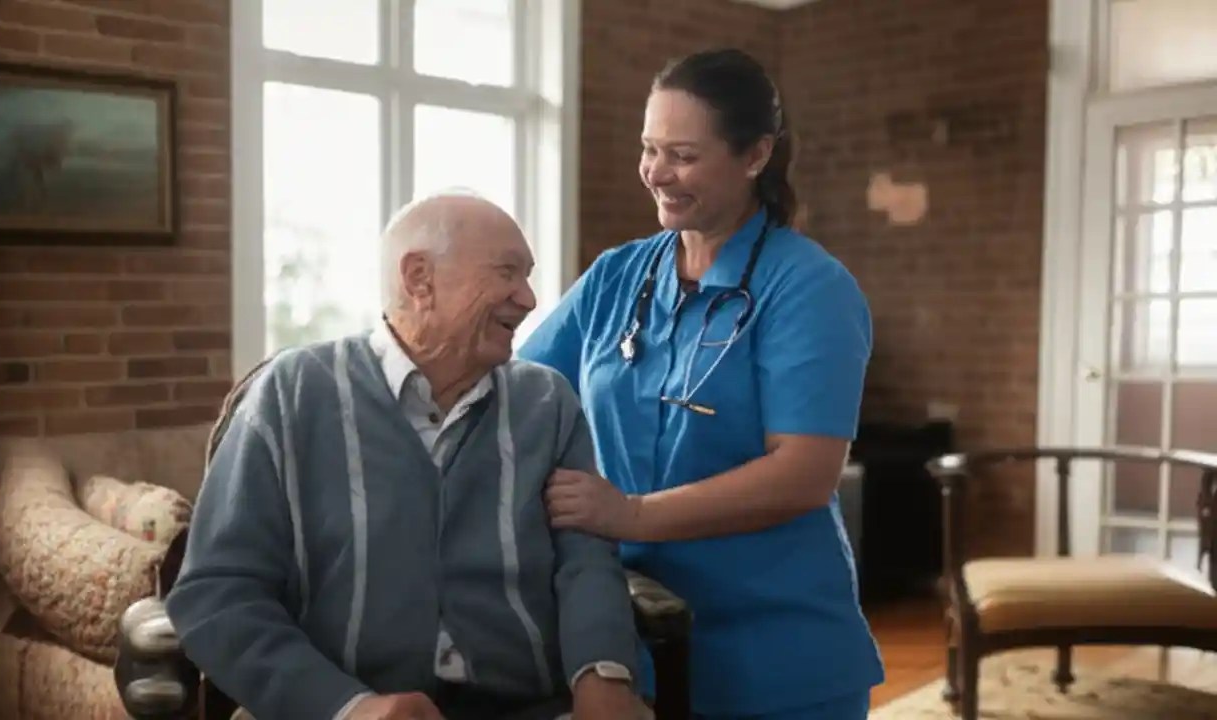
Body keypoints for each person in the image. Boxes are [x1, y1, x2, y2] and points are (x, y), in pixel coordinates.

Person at [165, 191, 653, 720]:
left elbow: (586, 563)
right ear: (419, 278)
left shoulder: (548, 403)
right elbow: (217, 593)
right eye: (508, 272)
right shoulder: (293, 393)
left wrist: (602, 675)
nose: (530, 299)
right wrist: (349, 707)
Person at [517, 48, 884, 720]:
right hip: (636, 644)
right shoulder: (615, 277)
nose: (656, 172)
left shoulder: (809, 288)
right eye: (648, 148)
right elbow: (522, 396)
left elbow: (805, 473)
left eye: (682, 154)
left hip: (775, 661)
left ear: (755, 156)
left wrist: (628, 515)